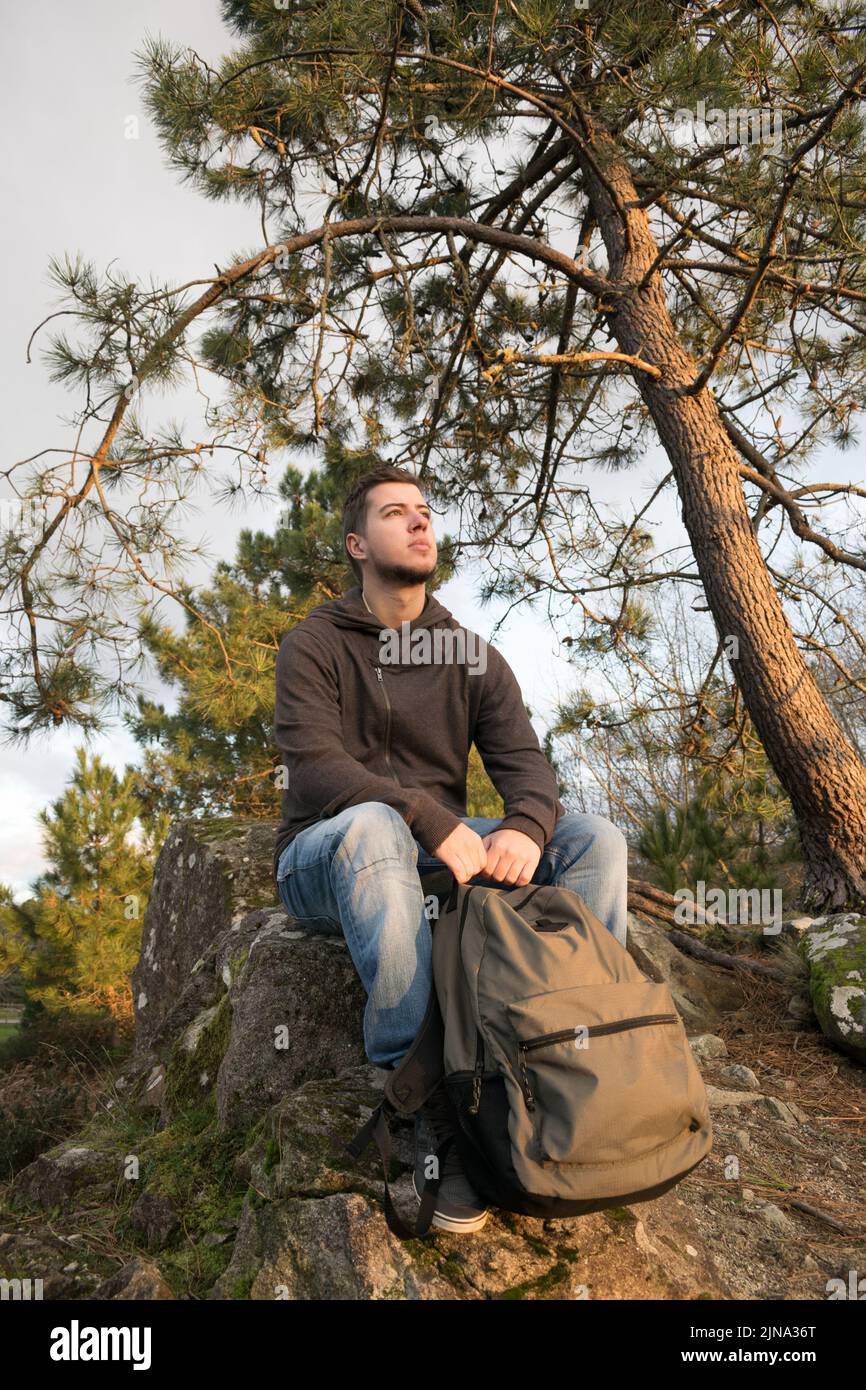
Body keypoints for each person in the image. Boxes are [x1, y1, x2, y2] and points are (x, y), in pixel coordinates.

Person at [273, 465, 628, 1233]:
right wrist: (430, 819)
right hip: (326, 856)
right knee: (374, 823)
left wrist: (526, 829)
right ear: (357, 544)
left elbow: (528, 769)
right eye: (396, 513)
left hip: (441, 862)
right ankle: (428, 1100)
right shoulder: (313, 644)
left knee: (595, 840)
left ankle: (576, 1064)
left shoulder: (471, 654)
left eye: (426, 512)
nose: (419, 523)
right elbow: (316, 768)